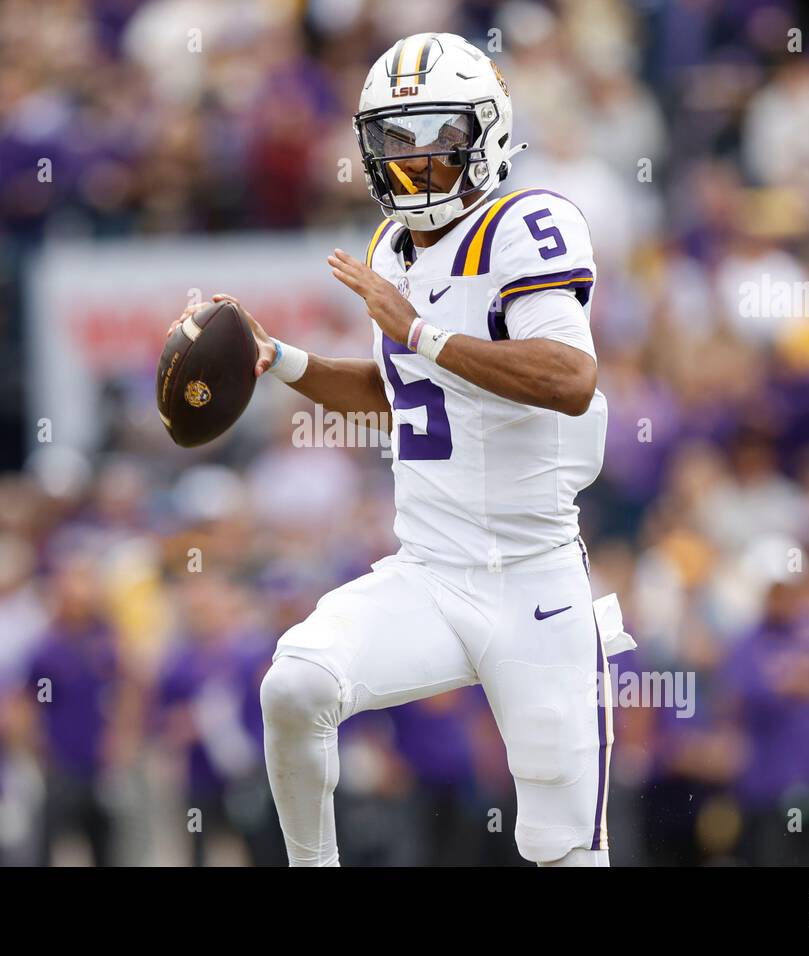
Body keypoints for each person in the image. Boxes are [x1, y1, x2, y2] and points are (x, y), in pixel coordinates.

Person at [171, 32, 619, 867]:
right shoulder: (391, 249)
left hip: (537, 585)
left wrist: (419, 329)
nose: (414, 163)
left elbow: (569, 378)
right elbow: (401, 390)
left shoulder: (528, 223)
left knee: (566, 852)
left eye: (436, 138)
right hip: (429, 572)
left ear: (485, 133)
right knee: (295, 684)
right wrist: (285, 362)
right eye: (394, 140)